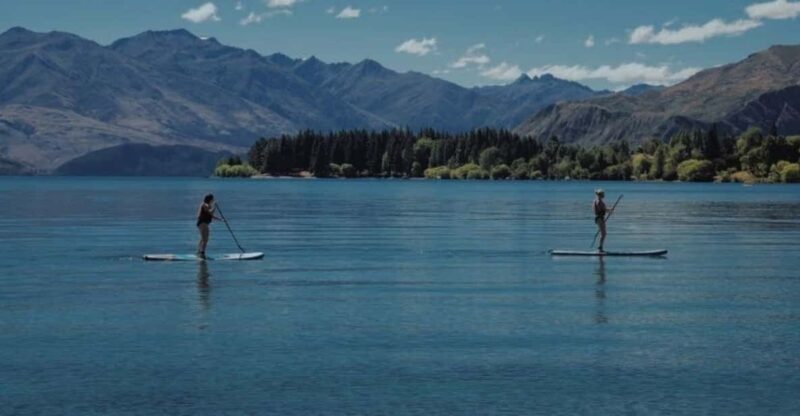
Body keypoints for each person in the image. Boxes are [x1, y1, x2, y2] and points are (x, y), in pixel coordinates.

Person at [196, 194, 222, 259]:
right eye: (212, 199)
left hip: (204, 224)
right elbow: (210, 213)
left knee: (203, 238)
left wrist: (220, 219)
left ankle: (199, 251)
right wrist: (214, 207)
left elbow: (211, 216)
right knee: (205, 239)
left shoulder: (208, 206)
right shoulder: (204, 205)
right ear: (210, 199)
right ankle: (202, 253)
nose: (213, 200)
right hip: (202, 223)